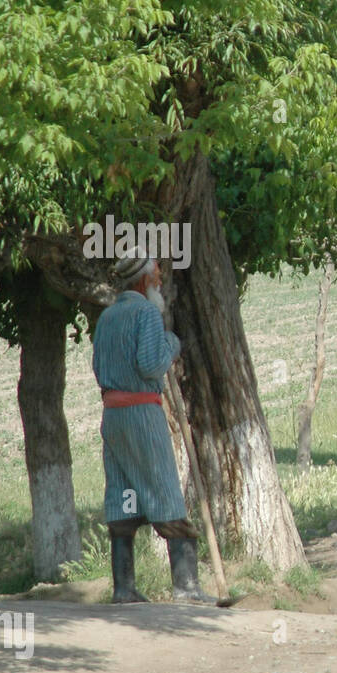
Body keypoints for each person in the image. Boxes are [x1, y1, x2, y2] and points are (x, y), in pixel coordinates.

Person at [92, 249, 215, 605]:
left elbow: (99, 367)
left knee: (123, 493)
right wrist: (172, 345)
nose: (160, 281)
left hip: (113, 417)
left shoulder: (107, 317)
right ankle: (187, 587)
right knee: (164, 488)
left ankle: (124, 588)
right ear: (144, 280)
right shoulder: (145, 312)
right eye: (157, 275)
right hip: (142, 413)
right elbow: (151, 364)